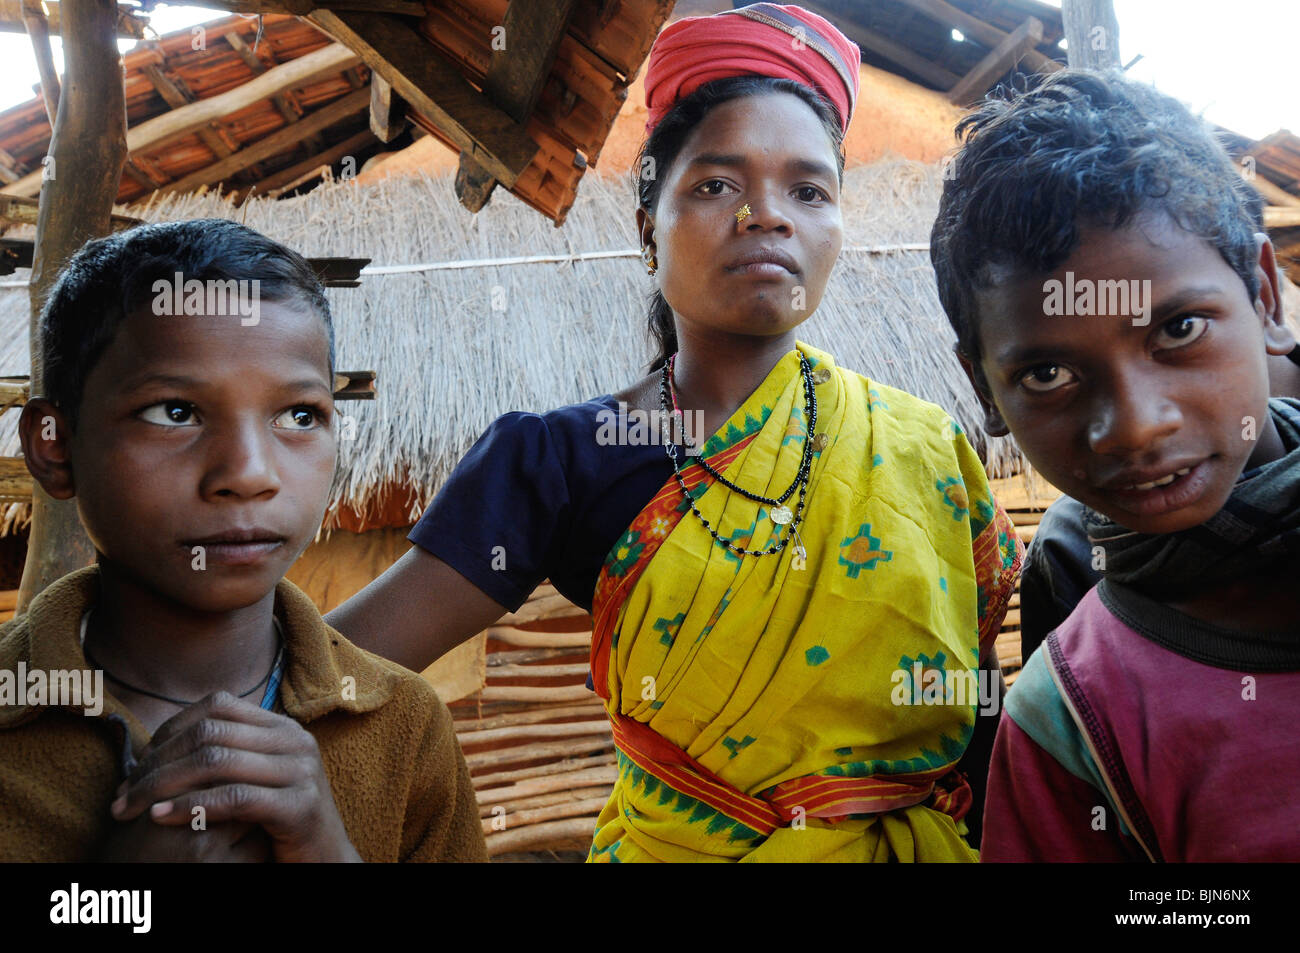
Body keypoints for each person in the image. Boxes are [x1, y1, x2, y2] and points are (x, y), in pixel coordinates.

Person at [329, 4, 1022, 862]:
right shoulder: (557, 463)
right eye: (717, 185)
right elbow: (334, 672)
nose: (767, 215)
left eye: (809, 190)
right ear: (647, 222)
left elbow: (978, 720)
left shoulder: (923, 449)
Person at [0, 220, 486, 862]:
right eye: (175, 411)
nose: (250, 473)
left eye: (298, 416)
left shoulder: (405, 726)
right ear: (53, 445)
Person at [931, 69, 1300, 861]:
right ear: (984, 388)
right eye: (1048, 375)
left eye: (1179, 328)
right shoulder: (1069, 714)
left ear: (1265, 298)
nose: (1133, 427)